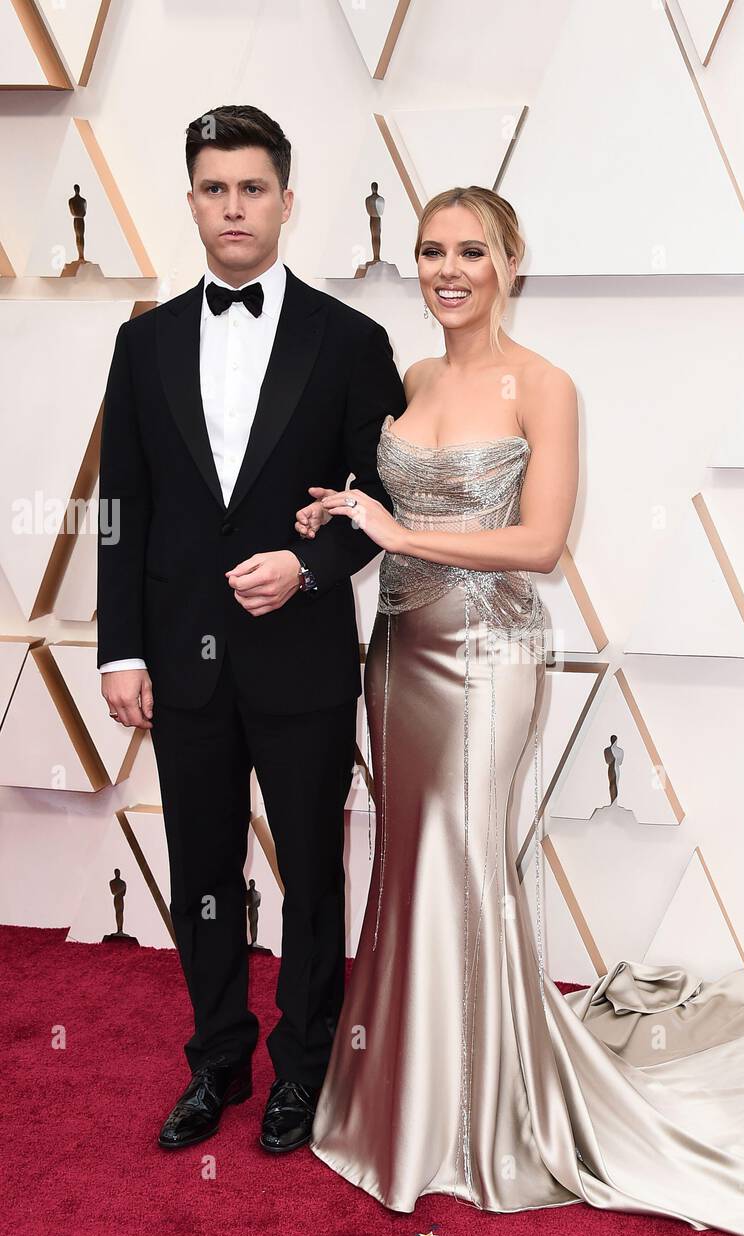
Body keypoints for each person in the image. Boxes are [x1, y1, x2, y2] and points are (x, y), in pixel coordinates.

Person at [298, 186, 744, 1236]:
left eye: (471, 250)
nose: (447, 268)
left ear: (513, 261)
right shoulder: (412, 379)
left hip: (487, 659)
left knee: (467, 864)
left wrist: (395, 521)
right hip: (397, 653)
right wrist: (343, 509)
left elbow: (541, 544)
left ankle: (479, 1120)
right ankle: (399, 1102)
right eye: (430, 250)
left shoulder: (545, 386)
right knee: (410, 865)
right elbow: (387, 508)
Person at [97, 105, 405, 1155]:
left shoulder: (352, 341)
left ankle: (305, 1066)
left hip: (301, 660)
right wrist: (121, 647)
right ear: (191, 200)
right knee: (204, 873)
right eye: (215, 188)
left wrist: (312, 565)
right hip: (179, 662)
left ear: (285, 198)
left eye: (253, 188)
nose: (234, 206)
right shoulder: (140, 345)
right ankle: (218, 1057)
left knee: (312, 871)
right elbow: (119, 504)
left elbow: (382, 502)